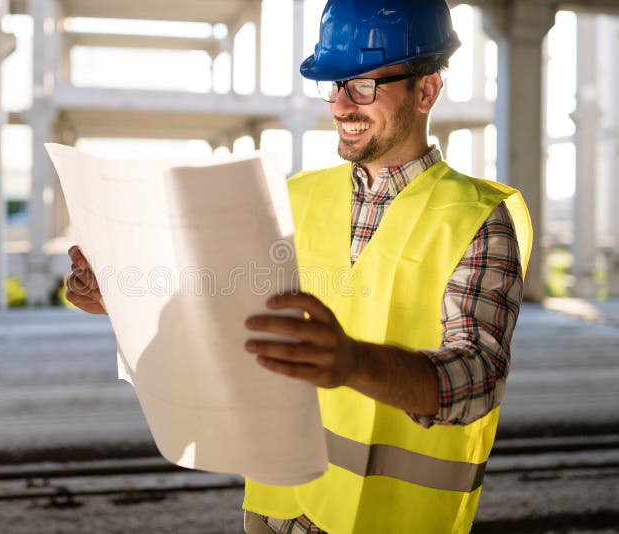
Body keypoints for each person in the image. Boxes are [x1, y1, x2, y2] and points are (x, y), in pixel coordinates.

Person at [67, 0, 532, 532]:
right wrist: (122, 295)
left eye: (363, 86)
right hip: (276, 515)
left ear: (426, 90)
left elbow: (477, 377)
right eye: (333, 85)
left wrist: (354, 364)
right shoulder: (291, 199)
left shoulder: (479, 217)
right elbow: (218, 312)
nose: (341, 105)